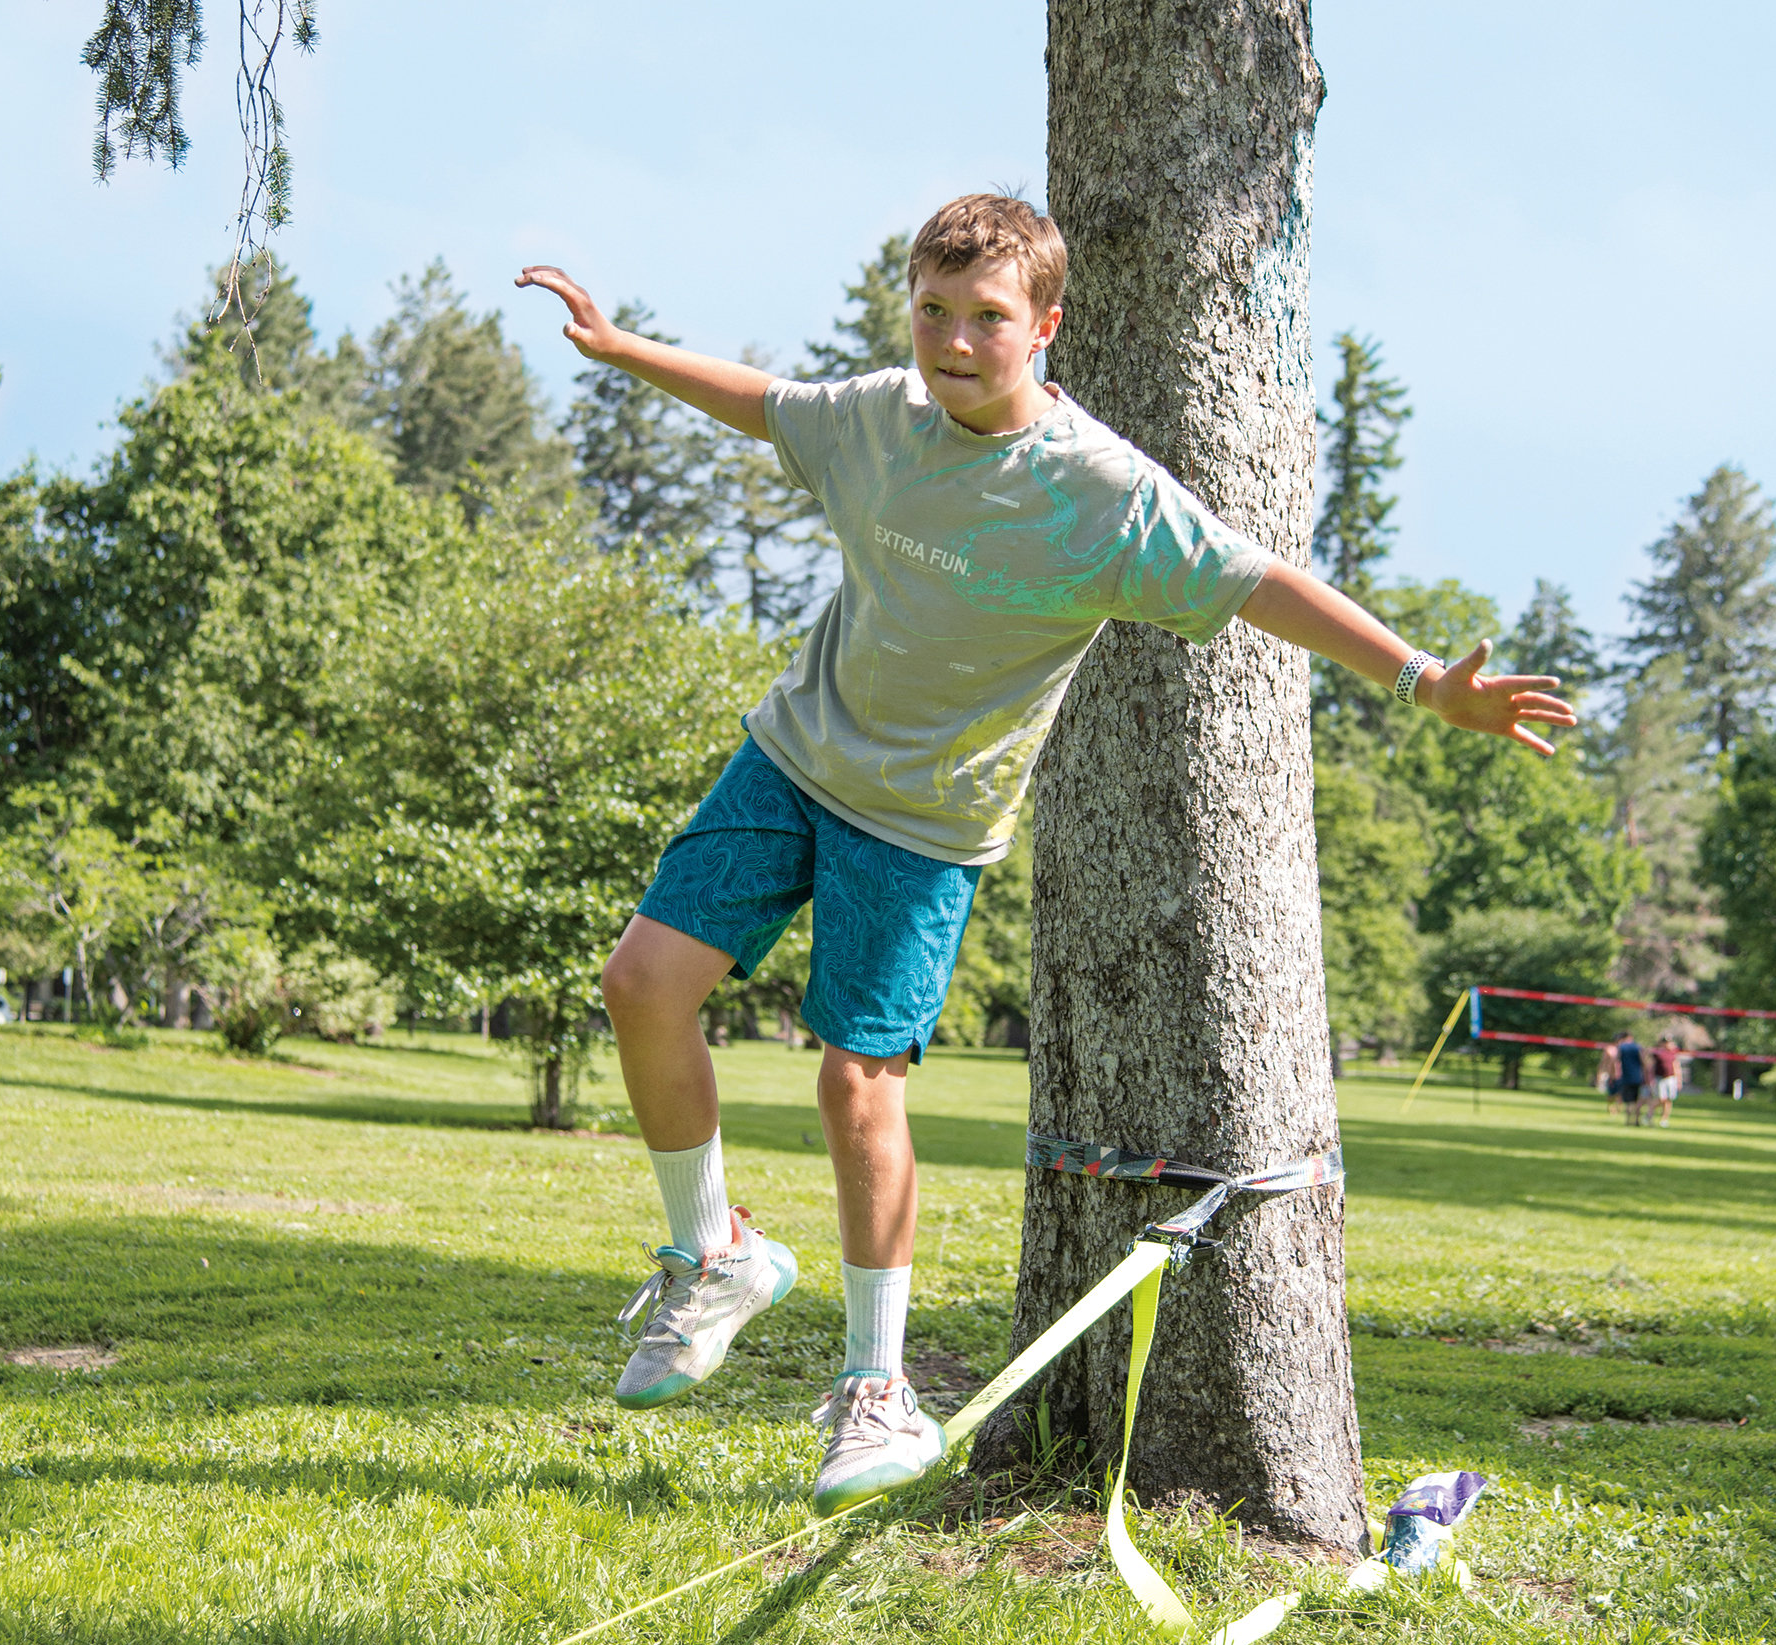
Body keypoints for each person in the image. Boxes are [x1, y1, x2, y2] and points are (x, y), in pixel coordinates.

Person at [515, 196, 1576, 1514]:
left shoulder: (1099, 495)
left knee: (859, 1087)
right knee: (641, 983)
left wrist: (1423, 680)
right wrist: (625, 351)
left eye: (988, 320)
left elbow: (1257, 582)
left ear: (1045, 329)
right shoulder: (879, 419)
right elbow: (765, 402)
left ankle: (878, 1394)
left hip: (921, 826)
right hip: (792, 759)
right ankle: (712, 1250)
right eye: (934, 313)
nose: (955, 343)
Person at [1615, 1030, 1646, 1126]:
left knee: (1628, 1101)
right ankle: (1637, 1120)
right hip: (1637, 1077)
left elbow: (1617, 1060)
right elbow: (1643, 1061)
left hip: (1626, 1077)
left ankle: (1628, 1121)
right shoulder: (1637, 1047)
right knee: (1637, 1100)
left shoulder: (1621, 1048)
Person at [1650, 1035, 1681, 1127]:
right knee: (1661, 1098)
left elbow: (1676, 1065)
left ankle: (1664, 1119)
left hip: (1671, 1078)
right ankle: (1650, 1112)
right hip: (1660, 1078)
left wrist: (1678, 1079)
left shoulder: (1673, 1052)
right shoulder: (1657, 1052)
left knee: (1668, 1100)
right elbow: (1650, 1065)